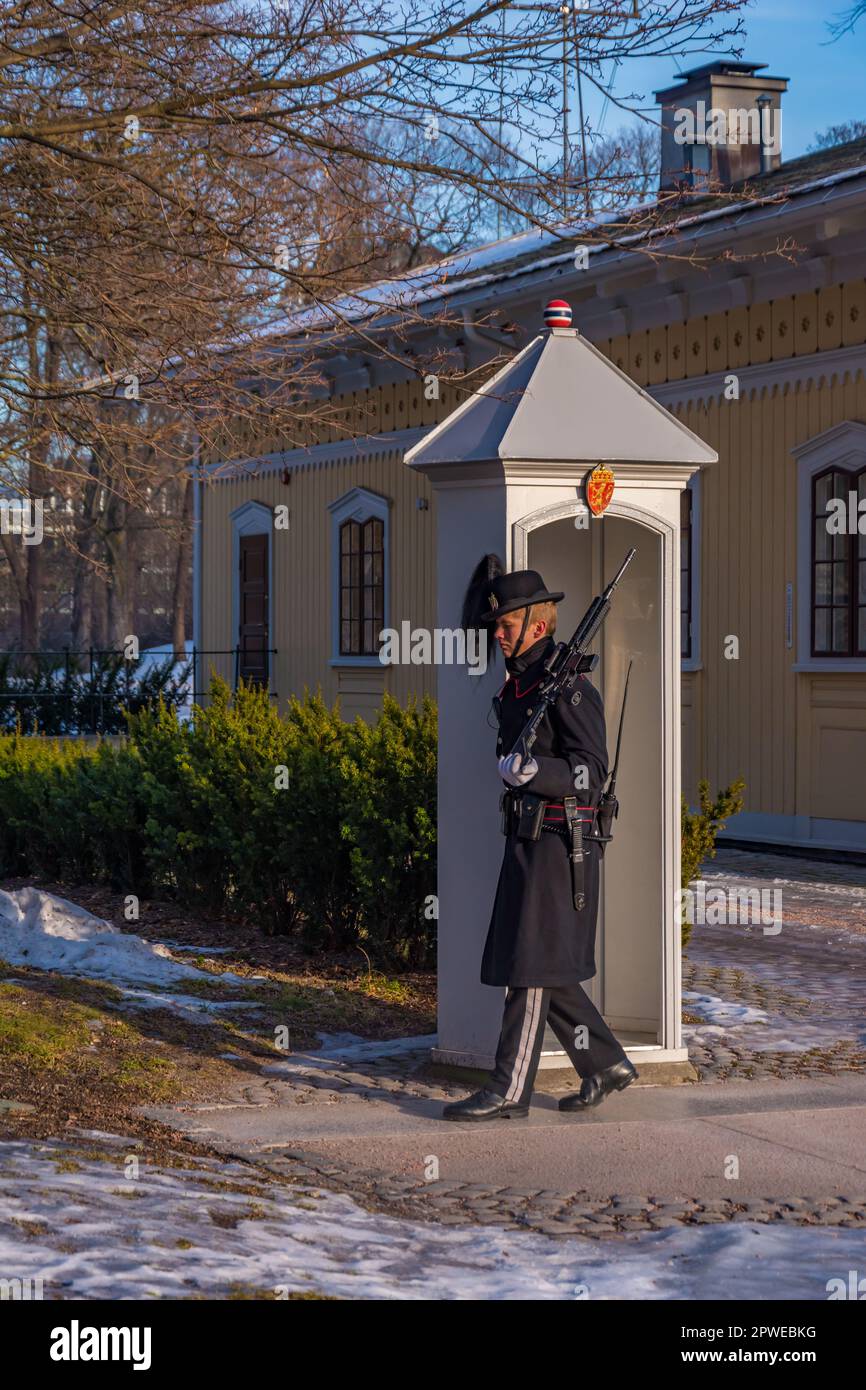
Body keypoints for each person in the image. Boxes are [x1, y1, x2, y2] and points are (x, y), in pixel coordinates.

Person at [442, 559, 637, 1121]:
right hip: (528, 837)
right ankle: (604, 1063)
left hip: (559, 843)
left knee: (528, 968)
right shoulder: (525, 681)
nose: (497, 632)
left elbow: (590, 773)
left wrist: (537, 774)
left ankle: (508, 1090)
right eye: (496, 623)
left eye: (505, 623)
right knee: (539, 963)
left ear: (537, 623)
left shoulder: (568, 687)